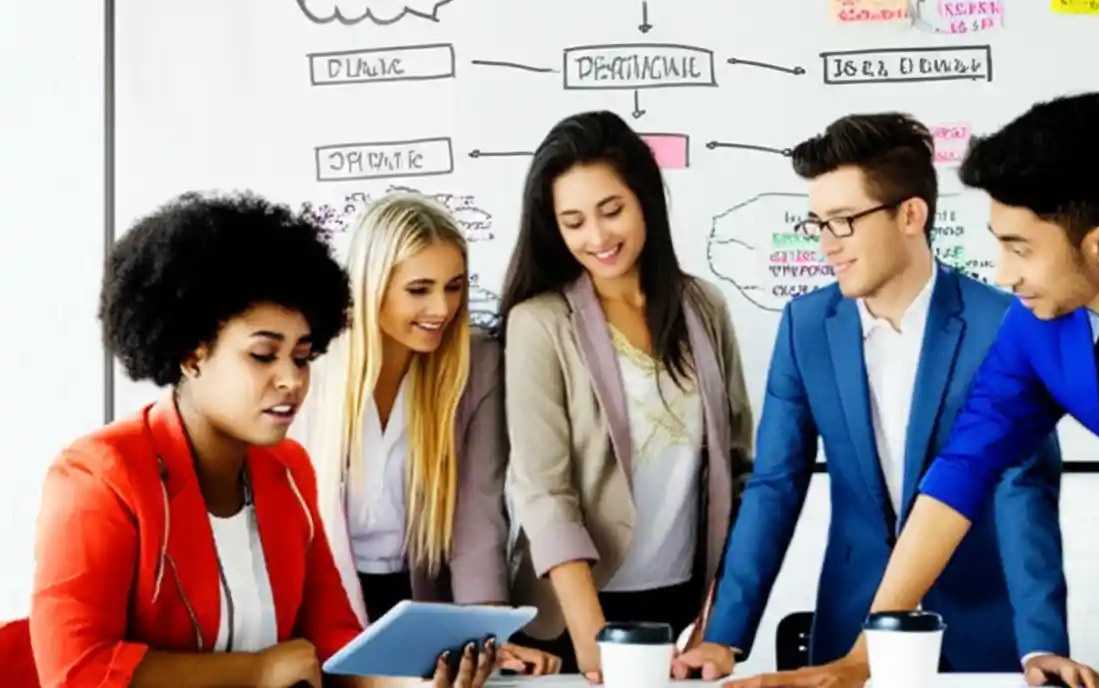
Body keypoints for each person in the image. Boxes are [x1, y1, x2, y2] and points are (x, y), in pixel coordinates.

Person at [728, 92, 1099, 688]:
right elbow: (964, 468)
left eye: (1019, 248)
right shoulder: (1035, 323)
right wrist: (869, 650)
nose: (1001, 273)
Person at [29, 191, 497, 688]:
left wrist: (414, 685)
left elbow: (334, 642)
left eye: (300, 357)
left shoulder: (288, 469)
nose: (291, 380)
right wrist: (257, 671)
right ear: (193, 354)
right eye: (262, 355)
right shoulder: (99, 475)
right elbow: (75, 670)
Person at [675, 113, 1068, 680]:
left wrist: (1040, 643)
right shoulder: (805, 327)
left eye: (844, 222)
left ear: (911, 214)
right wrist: (724, 636)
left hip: (986, 633)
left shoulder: (1002, 325)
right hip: (849, 629)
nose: (826, 245)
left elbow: (1021, 487)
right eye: (818, 224)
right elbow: (774, 486)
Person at [499, 110, 755, 679]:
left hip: (681, 610)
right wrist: (593, 637)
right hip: (571, 615)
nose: (597, 237)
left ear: (645, 199)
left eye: (611, 210)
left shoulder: (703, 308)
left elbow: (738, 473)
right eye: (573, 222)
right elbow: (545, 490)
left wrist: (720, 623)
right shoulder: (540, 324)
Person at [293, 190, 560, 674]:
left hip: (421, 608)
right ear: (373, 287)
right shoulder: (311, 368)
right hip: (320, 606)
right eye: (419, 289)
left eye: (454, 286)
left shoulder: (476, 367)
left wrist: (488, 631)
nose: (442, 307)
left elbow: (477, 515)